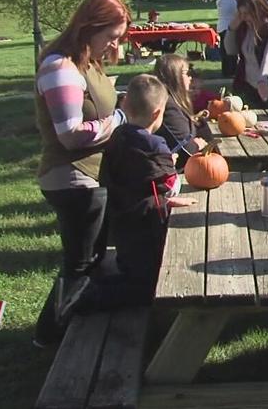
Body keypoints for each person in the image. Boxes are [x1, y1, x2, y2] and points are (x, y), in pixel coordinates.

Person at [31, 0, 131, 347]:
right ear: (90, 27)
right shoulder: (60, 69)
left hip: (90, 177)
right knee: (79, 264)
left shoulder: (86, 62)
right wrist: (119, 118)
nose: (113, 45)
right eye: (111, 37)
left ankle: (69, 329)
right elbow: (71, 135)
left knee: (89, 261)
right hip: (72, 179)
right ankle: (50, 333)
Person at [57, 75, 196, 321]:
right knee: (147, 286)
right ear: (157, 113)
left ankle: (97, 287)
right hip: (147, 226)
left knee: (133, 271)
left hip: (123, 222)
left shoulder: (116, 138)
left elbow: (139, 180)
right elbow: (168, 182)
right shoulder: (154, 145)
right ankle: (86, 295)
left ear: (124, 106)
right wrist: (170, 168)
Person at [152, 54, 211, 169]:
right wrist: (196, 145)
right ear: (175, 76)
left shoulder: (171, 101)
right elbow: (185, 149)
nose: (190, 78)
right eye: (186, 73)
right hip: (179, 169)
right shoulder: (168, 107)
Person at [216, 0, 239, 79]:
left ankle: (225, 70)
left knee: (224, 49)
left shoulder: (220, 0)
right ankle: (232, 70)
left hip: (221, 25)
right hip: (231, 25)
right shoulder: (234, 0)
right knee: (231, 49)